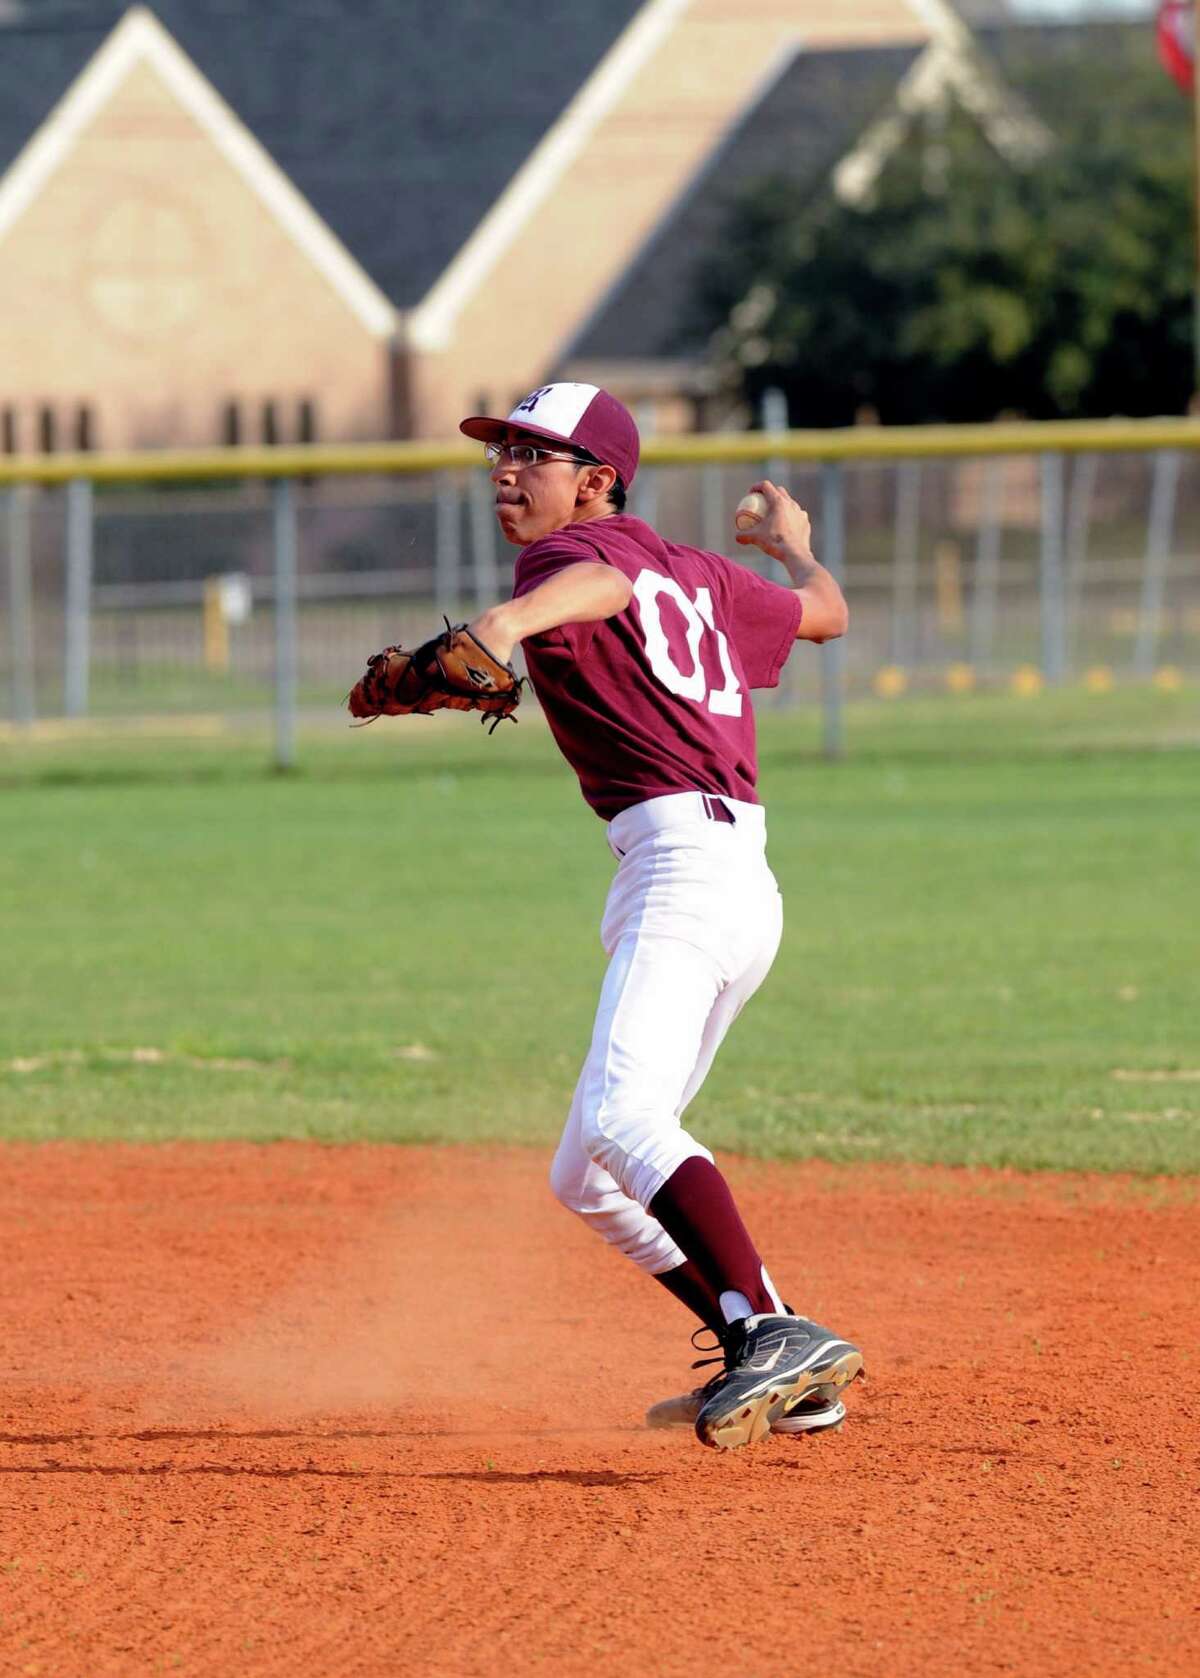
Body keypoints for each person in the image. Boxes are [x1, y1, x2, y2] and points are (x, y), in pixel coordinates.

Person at [459, 383, 862, 1450]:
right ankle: (768, 1352)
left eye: (533, 457)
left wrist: (504, 620)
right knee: (587, 1176)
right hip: (736, 880)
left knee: (625, 1121)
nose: (506, 470)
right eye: (501, 452)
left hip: (686, 868)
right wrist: (795, 547)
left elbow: (598, 580)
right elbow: (828, 616)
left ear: (596, 483)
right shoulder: (704, 574)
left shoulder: (569, 559)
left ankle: (778, 1330)